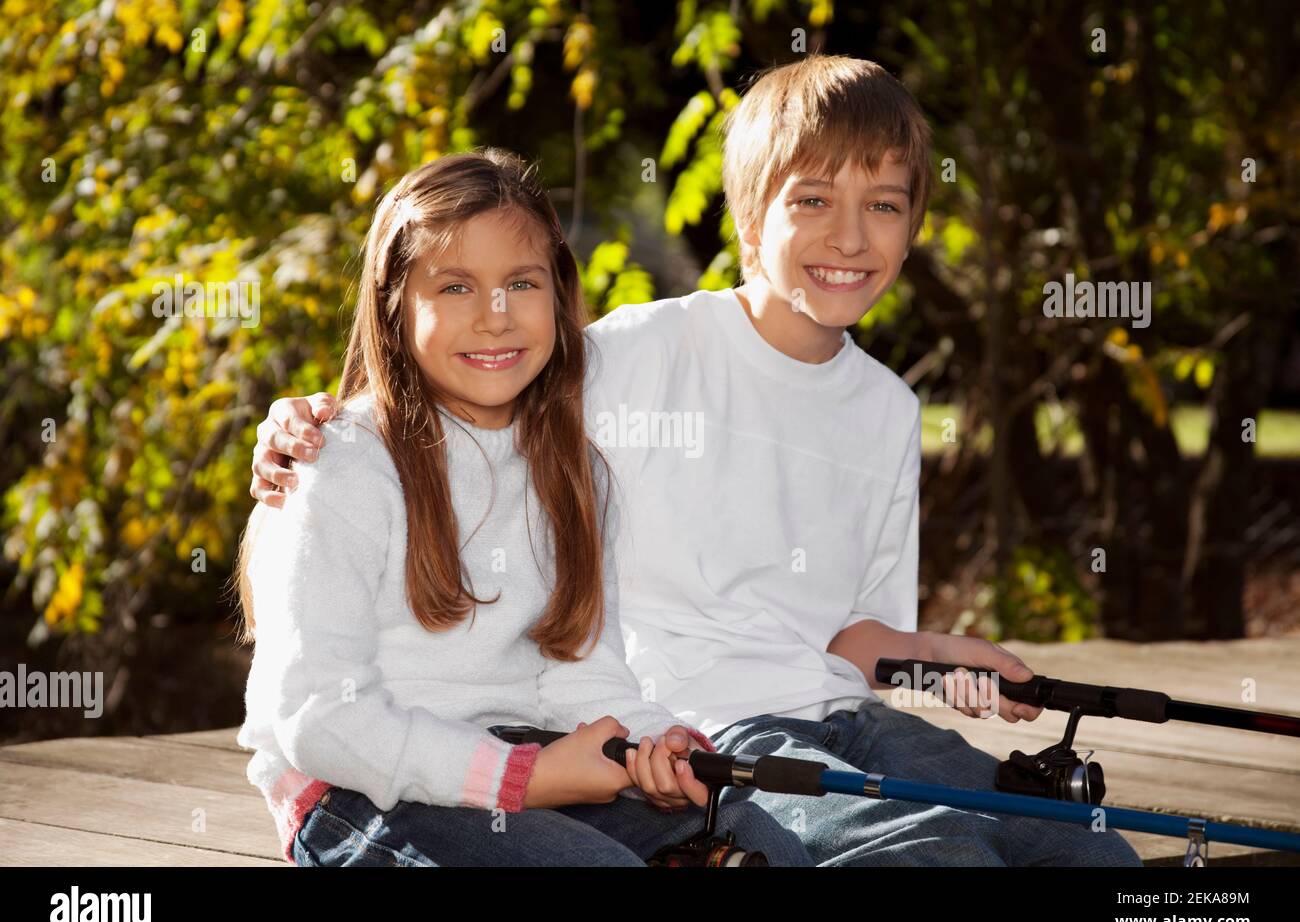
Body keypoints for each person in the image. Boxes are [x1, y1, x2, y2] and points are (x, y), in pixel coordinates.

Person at [248, 57, 1142, 866]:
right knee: (931, 857)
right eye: (813, 199)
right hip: (668, 730)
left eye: (884, 204)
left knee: (1092, 858)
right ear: (750, 217)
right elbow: (448, 396)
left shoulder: (885, 409)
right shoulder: (629, 355)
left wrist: (941, 656)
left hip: (788, 715)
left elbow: (845, 634)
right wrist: (299, 427)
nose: (850, 236)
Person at [233, 148, 813, 867]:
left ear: (559, 294)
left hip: (525, 760)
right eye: (454, 287)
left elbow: (580, 677)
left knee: (767, 847)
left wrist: (656, 743)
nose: (495, 316)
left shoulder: (574, 471)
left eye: (520, 282)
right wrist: (525, 779)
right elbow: (315, 719)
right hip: (355, 787)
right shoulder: (341, 464)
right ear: (393, 305)